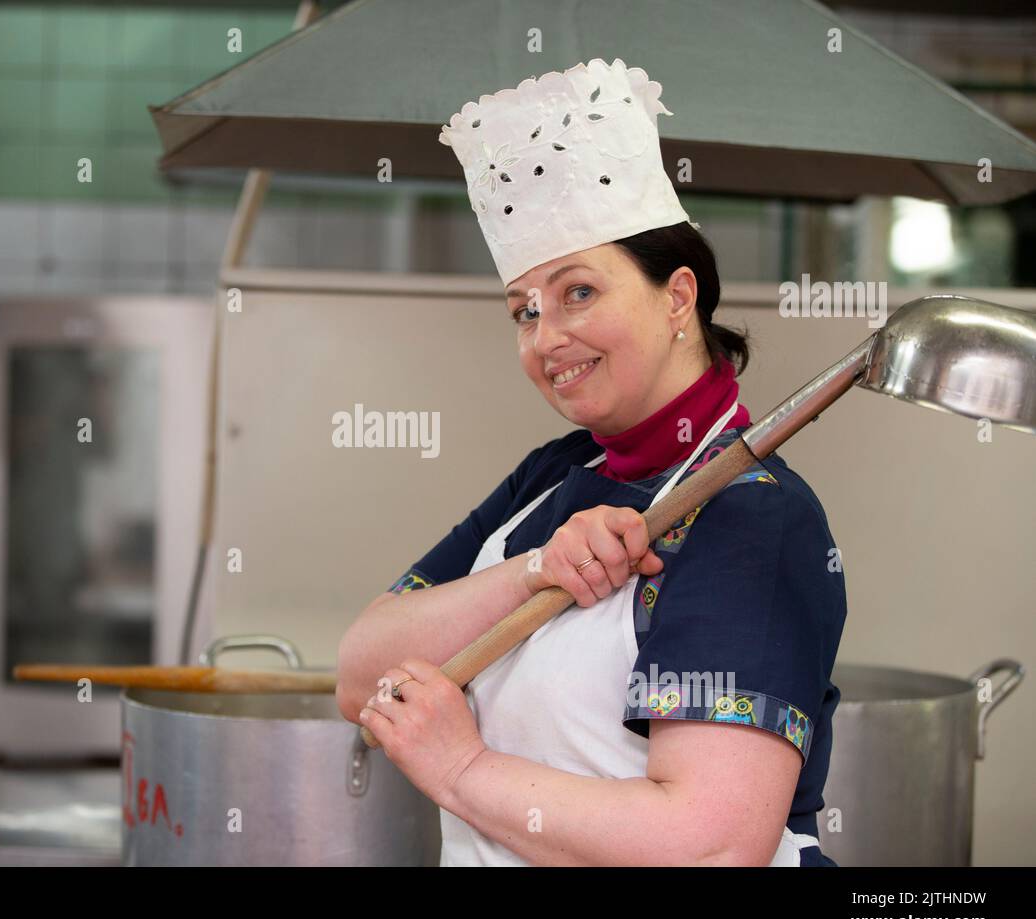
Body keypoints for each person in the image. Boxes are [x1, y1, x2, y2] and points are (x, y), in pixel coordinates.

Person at [335, 57, 845, 866]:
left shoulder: (751, 512)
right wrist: (537, 570)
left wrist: (461, 767)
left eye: (578, 292)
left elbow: (709, 846)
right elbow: (363, 677)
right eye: (524, 310)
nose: (546, 338)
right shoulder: (553, 475)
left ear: (678, 297)